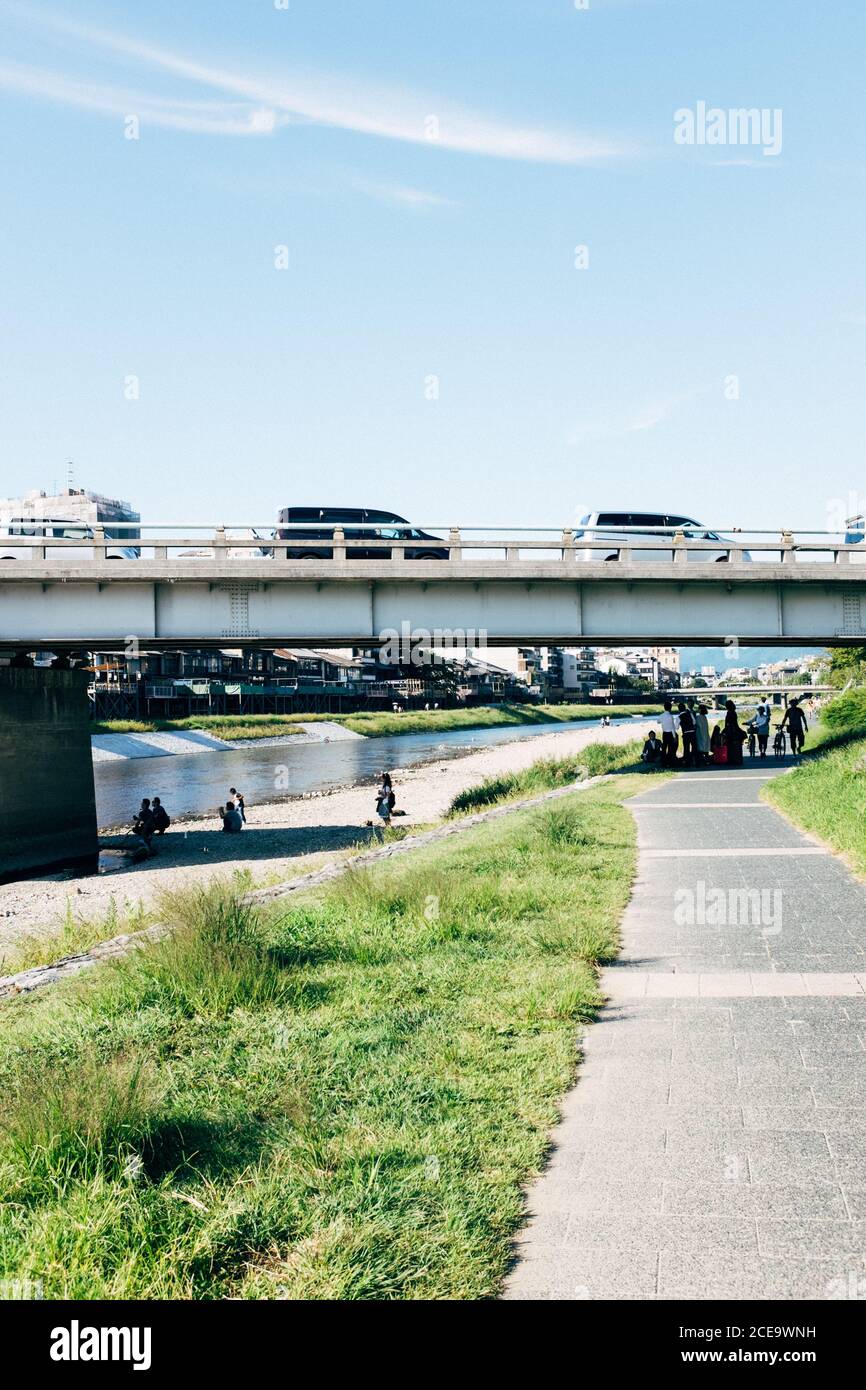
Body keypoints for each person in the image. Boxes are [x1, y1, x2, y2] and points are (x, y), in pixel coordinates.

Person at [723, 699, 747, 768]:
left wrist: (725, 730)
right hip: (735, 730)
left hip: (731, 731)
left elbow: (728, 723)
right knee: (736, 746)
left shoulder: (729, 713)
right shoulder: (734, 712)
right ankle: (737, 759)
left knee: (729, 746)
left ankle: (731, 760)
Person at [660, 699, 680, 767]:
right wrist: (674, 737)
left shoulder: (661, 715)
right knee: (670, 748)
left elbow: (658, 721)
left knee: (664, 748)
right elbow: (672, 728)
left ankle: (663, 762)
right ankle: (669, 762)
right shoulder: (670, 716)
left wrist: (663, 722)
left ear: (664, 707)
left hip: (664, 733)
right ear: (670, 708)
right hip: (670, 734)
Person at [677, 700, 697, 767]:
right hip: (693, 732)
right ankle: (695, 761)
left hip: (685, 733)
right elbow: (694, 722)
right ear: (685, 707)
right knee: (694, 747)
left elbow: (676, 727)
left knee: (686, 748)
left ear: (678, 709)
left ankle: (687, 762)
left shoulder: (679, 717)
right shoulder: (690, 713)